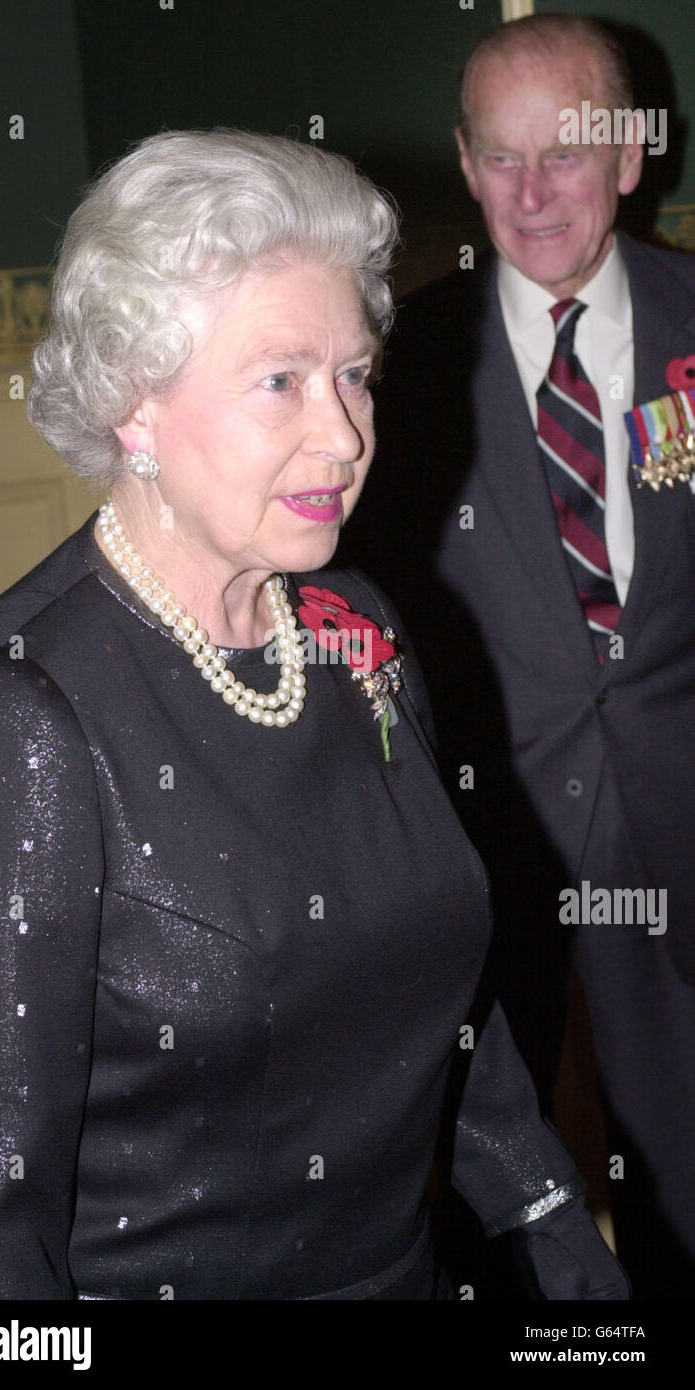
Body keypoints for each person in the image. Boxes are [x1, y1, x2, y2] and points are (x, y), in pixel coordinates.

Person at [0, 129, 628, 1301]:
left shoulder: (354, 628)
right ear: (133, 406)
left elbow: (433, 992)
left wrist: (555, 1228)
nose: (344, 434)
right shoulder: (20, 719)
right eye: (281, 381)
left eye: (352, 372)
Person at [343, 16, 695, 1299]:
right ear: (463, 162)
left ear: (627, 155)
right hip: (481, 830)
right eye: (499, 158)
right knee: (488, 1168)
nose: (531, 191)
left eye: (564, 153)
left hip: (677, 813)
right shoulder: (395, 367)